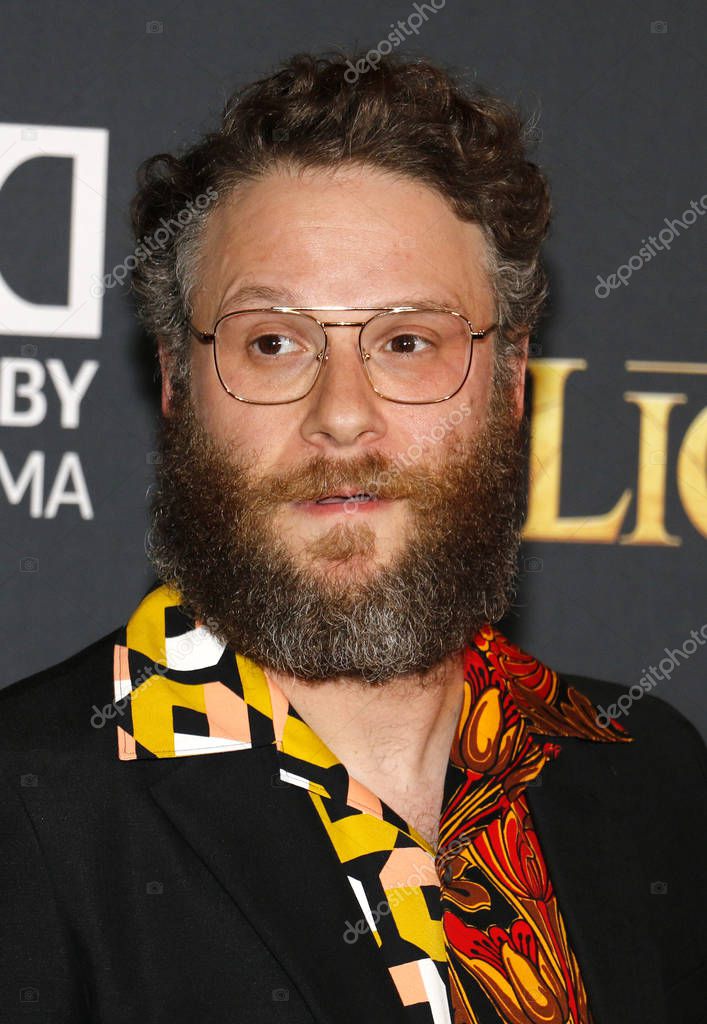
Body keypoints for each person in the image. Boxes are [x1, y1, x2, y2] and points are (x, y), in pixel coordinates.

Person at [1, 51, 705, 1024]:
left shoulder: (653, 776)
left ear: (510, 385)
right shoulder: (26, 811)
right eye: (274, 343)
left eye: (407, 342)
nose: (340, 413)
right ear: (175, 383)